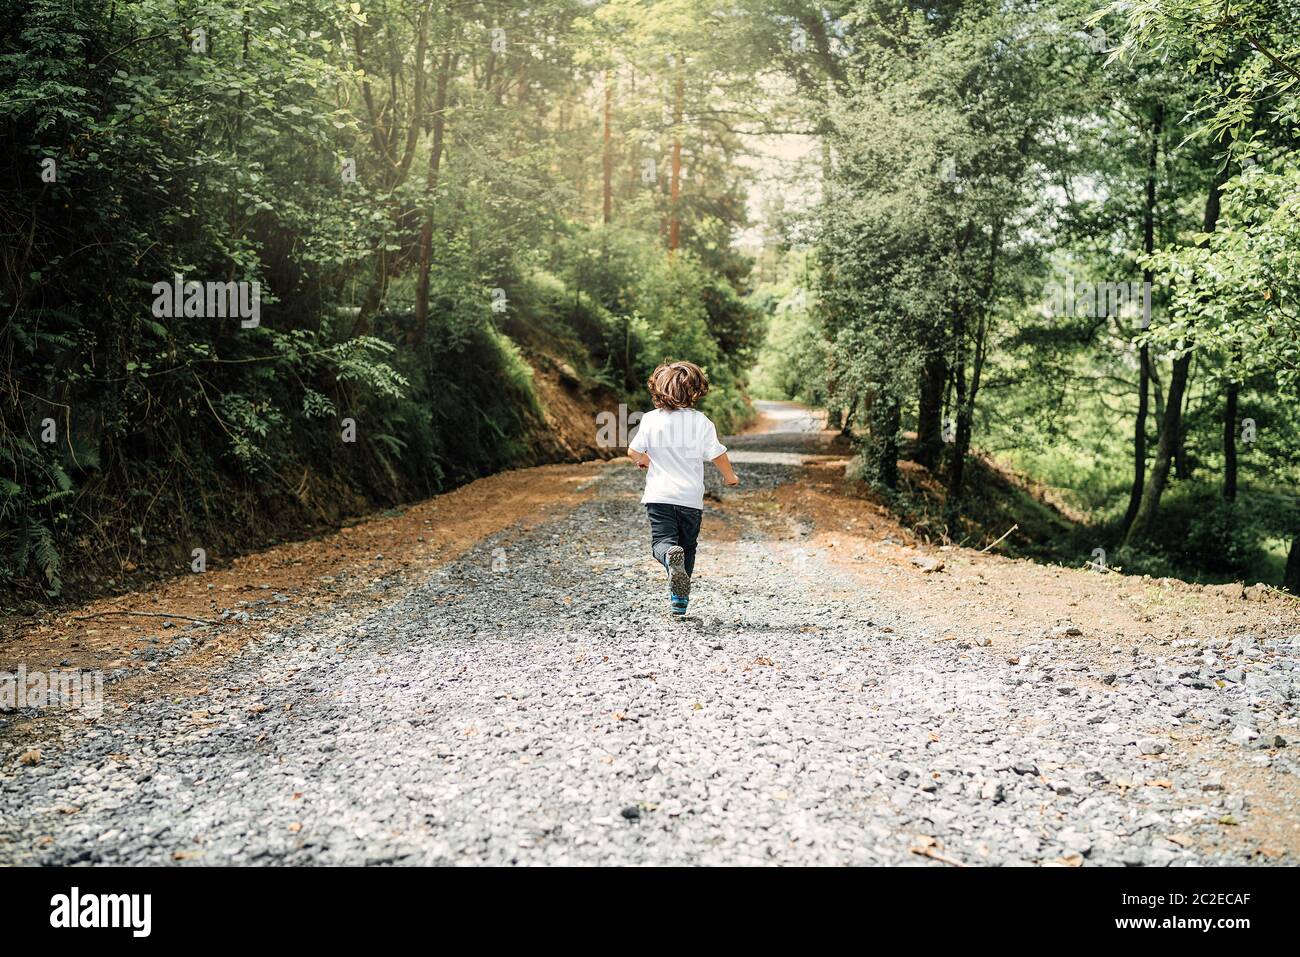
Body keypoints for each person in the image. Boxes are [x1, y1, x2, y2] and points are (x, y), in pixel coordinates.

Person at [626, 361, 740, 617]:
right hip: (690, 499)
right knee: (688, 547)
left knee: (663, 543)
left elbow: (633, 451)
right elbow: (717, 454)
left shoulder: (650, 419)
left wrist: (643, 461)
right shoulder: (701, 422)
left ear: (658, 390)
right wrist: (730, 477)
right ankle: (679, 600)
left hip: (659, 497)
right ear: (695, 391)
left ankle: (668, 557)